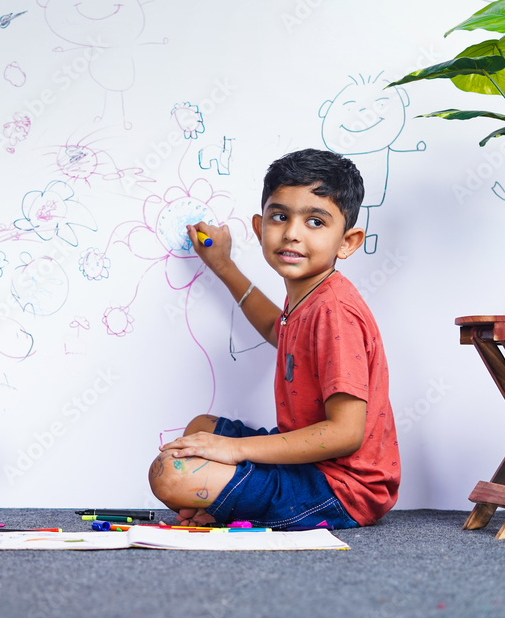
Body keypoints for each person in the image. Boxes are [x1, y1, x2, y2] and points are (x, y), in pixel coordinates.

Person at [148, 149, 399, 529]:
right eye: (280, 217)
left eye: (315, 221)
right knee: (201, 427)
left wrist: (233, 450)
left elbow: (347, 434)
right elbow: (274, 330)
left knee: (170, 474)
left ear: (347, 242)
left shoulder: (335, 311)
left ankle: (229, 503)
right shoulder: (309, 295)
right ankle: (229, 502)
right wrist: (223, 265)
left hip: (340, 488)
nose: (292, 233)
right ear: (259, 226)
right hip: (308, 463)